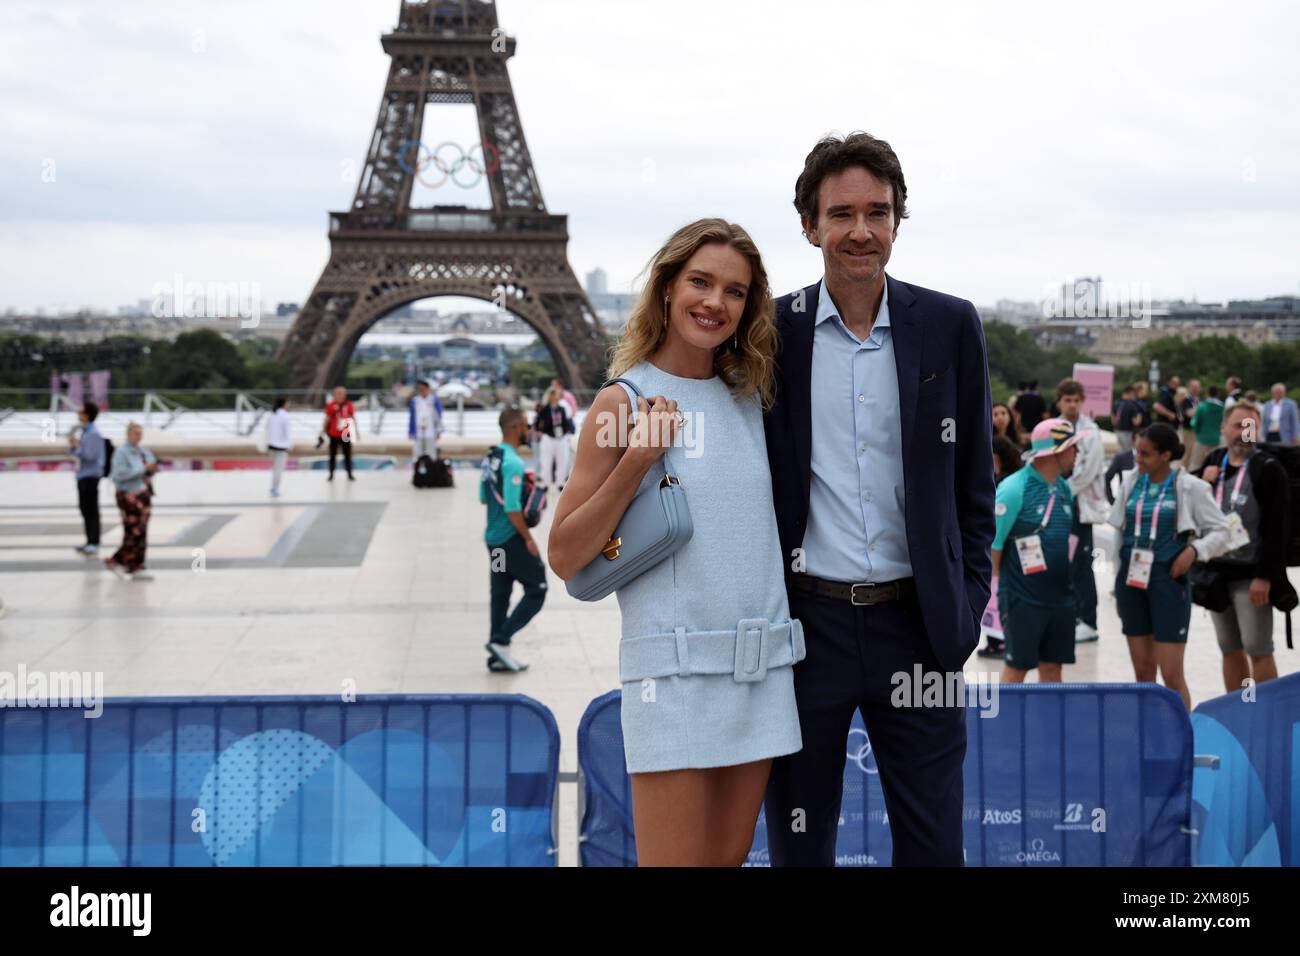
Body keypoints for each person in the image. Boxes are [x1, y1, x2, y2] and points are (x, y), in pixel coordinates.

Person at [761, 132, 994, 867]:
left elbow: (974, 488)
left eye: (878, 211)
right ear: (810, 226)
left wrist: (963, 600)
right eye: (842, 214)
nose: (861, 230)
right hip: (807, 631)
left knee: (933, 847)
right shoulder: (770, 329)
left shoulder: (951, 325)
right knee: (801, 847)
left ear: (898, 221)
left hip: (919, 627)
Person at [547, 218, 804, 867]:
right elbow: (565, 553)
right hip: (675, 678)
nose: (715, 302)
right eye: (700, 281)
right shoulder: (622, 402)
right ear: (666, 288)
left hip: (759, 672)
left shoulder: (750, 399)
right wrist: (637, 460)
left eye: (735, 291)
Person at [1108, 423, 1234, 710]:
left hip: (1168, 581)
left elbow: (1224, 532)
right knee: (1143, 674)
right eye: (1136, 452)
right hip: (1131, 580)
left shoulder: (1190, 486)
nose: (1137, 459)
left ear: (1166, 455)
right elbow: (1118, 530)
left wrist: (1194, 551)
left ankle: (1181, 741)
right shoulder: (1130, 481)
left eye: (1145, 454)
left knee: (1171, 674)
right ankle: (1149, 737)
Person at [1197, 403, 1296, 692]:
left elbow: (1278, 529)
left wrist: (1265, 576)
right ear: (1224, 428)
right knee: (1229, 648)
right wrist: (1202, 481)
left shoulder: (1267, 468)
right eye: (1238, 425)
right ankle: (1238, 711)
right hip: (1216, 574)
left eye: (1250, 426)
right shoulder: (1213, 461)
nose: (1244, 433)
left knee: (1258, 648)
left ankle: (1265, 717)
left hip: (1251, 576)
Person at [991, 419, 1080, 683]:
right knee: (1017, 668)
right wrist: (1000, 591)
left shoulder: (1064, 489)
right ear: (1057, 451)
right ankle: (1003, 725)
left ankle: (1049, 726)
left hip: (1061, 597)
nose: (1076, 453)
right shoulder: (1013, 489)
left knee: (1053, 669)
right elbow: (993, 546)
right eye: (1073, 447)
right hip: (1023, 597)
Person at [480, 407, 547, 674]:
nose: (529, 430)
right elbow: (511, 507)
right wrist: (528, 539)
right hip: (510, 542)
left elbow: (484, 498)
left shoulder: (491, 458)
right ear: (518, 427)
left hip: (493, 542)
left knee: (501, 593)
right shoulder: (513, 464)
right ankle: (501, 639)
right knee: (537, 588)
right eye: (527, 426)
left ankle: (499, 655)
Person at [1056, 379, 1107, 643]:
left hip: (1079, 505)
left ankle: (1089, 620)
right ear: (1059, 401)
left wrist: (1064, 491)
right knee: (1063, 562)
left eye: (1076, 400)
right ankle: (1072, 615)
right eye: (1068, 400)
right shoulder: (1053, 428)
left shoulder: (1092, 431)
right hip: (1058, 505)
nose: (1072, 404)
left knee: (1082, 563)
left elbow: (1088, 470)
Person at [105, 422, 158, 582]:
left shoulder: (143, 451)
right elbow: (119, 475)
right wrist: (143, 469)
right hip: (128, 495)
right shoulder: (122, 453)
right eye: (135, 433)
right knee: (134, 530)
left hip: (143, 495)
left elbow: (152, 464)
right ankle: (119, 561)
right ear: (128, 434)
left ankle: (135, 564)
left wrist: (151, 468)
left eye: (140, 433)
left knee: (141, 531)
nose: (138, 436)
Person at [69, 400, 105, 556]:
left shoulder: (93, 434)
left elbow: (89, 456)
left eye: (81, 412)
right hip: (84, 475)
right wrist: (75, 445)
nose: (78, 414)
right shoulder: (86, 432)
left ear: (87, 415)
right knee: (85, 509)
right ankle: (89, 541)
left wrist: (77, 446)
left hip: (90, 476)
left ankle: (94, 542)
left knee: (90, 510)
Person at [533, 385, 574, 490]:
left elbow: (566, 422)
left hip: (561, 437)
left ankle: (560, 483)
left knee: (562, 461)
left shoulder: (562, 409)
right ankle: (545, 483)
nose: (556, 397)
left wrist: (568, 432)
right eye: (554, 394)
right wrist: (539, 432)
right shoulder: (545, 409)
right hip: (548, 437)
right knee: (546, 461)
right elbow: (537, 422)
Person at [321, 386, 357, 481]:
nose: (340, 395)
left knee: (348, 455)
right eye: (338, 393)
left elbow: (352, 419)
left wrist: (355, 432)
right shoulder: (331, 405)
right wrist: (323, 431)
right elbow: (327, 419)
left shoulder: (349, 404)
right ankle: (331, 474)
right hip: (334, 434)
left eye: (342, 393)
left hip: (345, 433)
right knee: (332, 455)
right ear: (335, 394)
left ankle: (349, 474)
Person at [1189, 385, 1225, 471]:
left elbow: (1194, 423)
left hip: (1202, 438)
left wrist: (1196, 432)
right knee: (1214, 463)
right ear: (1217, 394)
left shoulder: (1202, 407)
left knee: (1196, 464)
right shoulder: (1222, 408)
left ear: (1208, 393)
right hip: (1216, 438)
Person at [407, 380, 444, 461]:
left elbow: (438, 416)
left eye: (423, 389)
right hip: (419, 430)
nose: (422, 391)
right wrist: (411, 431)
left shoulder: (433, 400)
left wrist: (438, 430)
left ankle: (432, 469)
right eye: (420, 389)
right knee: (418, 452)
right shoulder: (415, 401)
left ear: (427, 389)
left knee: (431, 452)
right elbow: (412, 416)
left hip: (430, 430)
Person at [265, 397, 292, 498]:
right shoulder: (285, 416)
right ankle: (274, 488)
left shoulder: (272, 415)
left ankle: (273, 487)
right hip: (281, 446)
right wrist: (289, 445)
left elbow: (267, 430)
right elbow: (287, 433)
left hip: (272, 445)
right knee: (279, 469)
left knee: (275, 468)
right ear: (284, 404)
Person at [1114, 385, 1147, 453]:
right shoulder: (1132, 405)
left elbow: (1113, 420)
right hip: (1128, 432)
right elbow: (1136, 422)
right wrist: (1140, 415)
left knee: (1121, 451)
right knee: (1129, 452)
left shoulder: (1116, 403)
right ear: (1131, 393)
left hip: (1118, 431)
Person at [1179, 379, 1201, 466]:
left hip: (1197, 430)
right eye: (1193, 387)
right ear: (1189, 388)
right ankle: (1183, 471)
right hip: (1188, 430)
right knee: (1187, 453)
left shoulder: (1198, 400)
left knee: (1195, 454)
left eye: (1197, 387)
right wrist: (1200, 409)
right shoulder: (1186, 400)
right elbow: (1189, 413)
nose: (1195, 389)